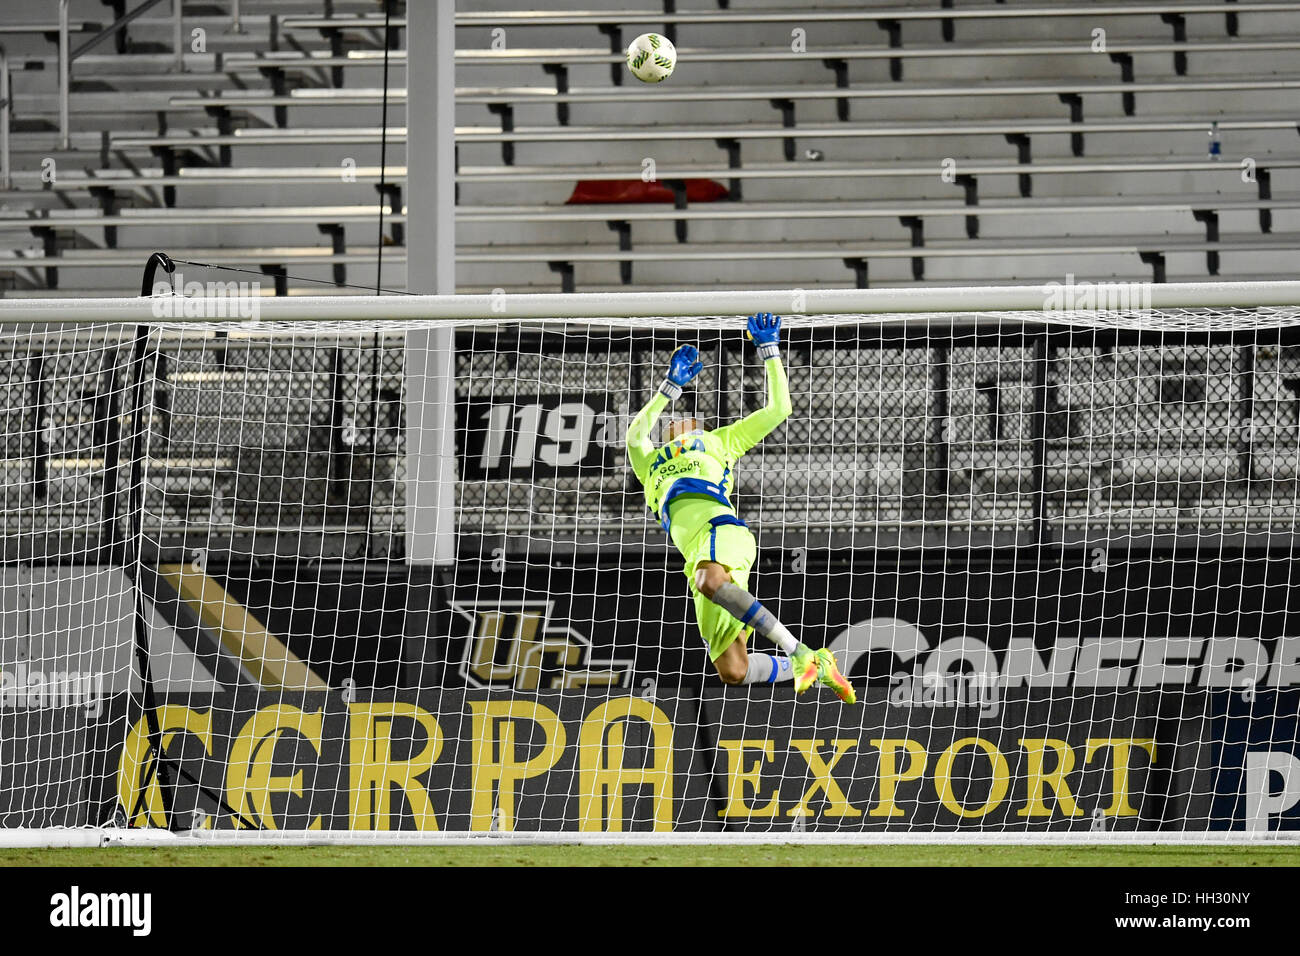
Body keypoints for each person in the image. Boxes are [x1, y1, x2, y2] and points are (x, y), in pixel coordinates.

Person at [624, 312, 856, 703]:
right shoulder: (650, 464)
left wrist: (769, 350)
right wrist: (668, 389)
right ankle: (817, 664)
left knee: (709, 580)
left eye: (692, 421)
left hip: (721, 533)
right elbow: (634, 434)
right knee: (733, 670)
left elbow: (779, 409)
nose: (682, 422)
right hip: (697, 556)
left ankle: (798, 651)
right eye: (673, 421)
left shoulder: (720, 441)